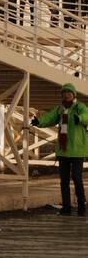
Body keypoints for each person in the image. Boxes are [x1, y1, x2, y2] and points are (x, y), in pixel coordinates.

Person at [32, 85, 88, 216]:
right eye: (64, 93)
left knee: (76, 177)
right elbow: (50, 118)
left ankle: (81, 206)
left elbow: (87, 115)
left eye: (69, 93)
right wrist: (38, 121)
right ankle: (66, 207)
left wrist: (79, 119)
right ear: (62, 96)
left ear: (74, 95)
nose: (67, 95)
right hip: (63, 150)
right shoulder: (60, 109)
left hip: (77, 150)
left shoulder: (79, 107)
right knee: (64, 180)